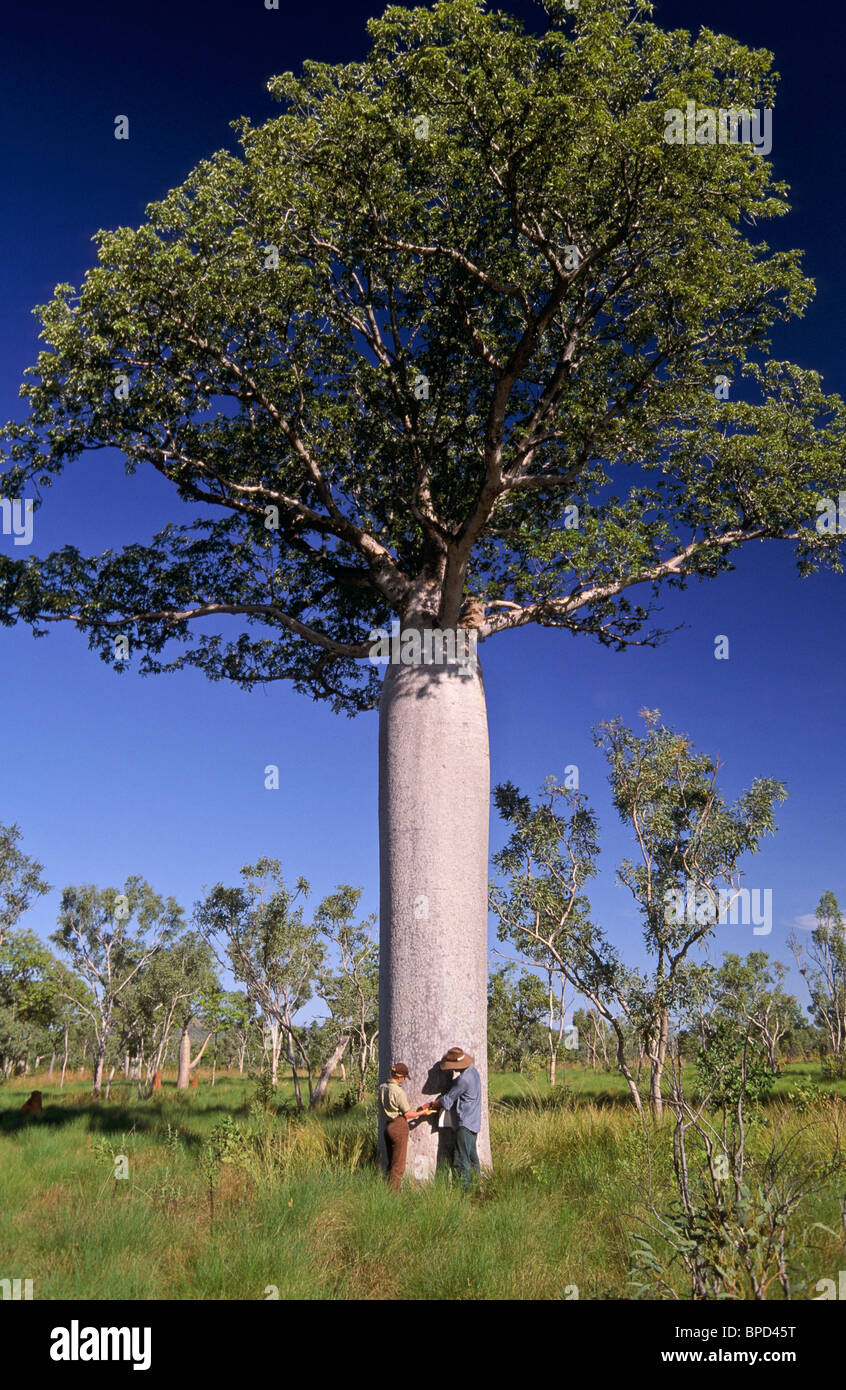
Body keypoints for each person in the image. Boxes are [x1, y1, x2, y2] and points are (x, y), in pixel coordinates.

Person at [429, 1046, 482, 1187]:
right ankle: (478, 1188)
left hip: (464, 1124)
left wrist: (431, 1105)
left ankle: (463, 1192)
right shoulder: (473, 1072)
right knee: (472, 1159)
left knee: (460, 1160)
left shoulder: (463, 1080)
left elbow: (447, 1100)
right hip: (474, 1123)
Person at [378, 1062, 426, 1190]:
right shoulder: (399, 1092)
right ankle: (394, 1196)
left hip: (387, 1126)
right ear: (400, 1077)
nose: (404, 1080)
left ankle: (387, 1189)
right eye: (404, 1078)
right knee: (398, 1166)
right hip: (398, 1126)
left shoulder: (382, 1087)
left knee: (391, 1163)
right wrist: (422, 1112)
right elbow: (408, 1114)